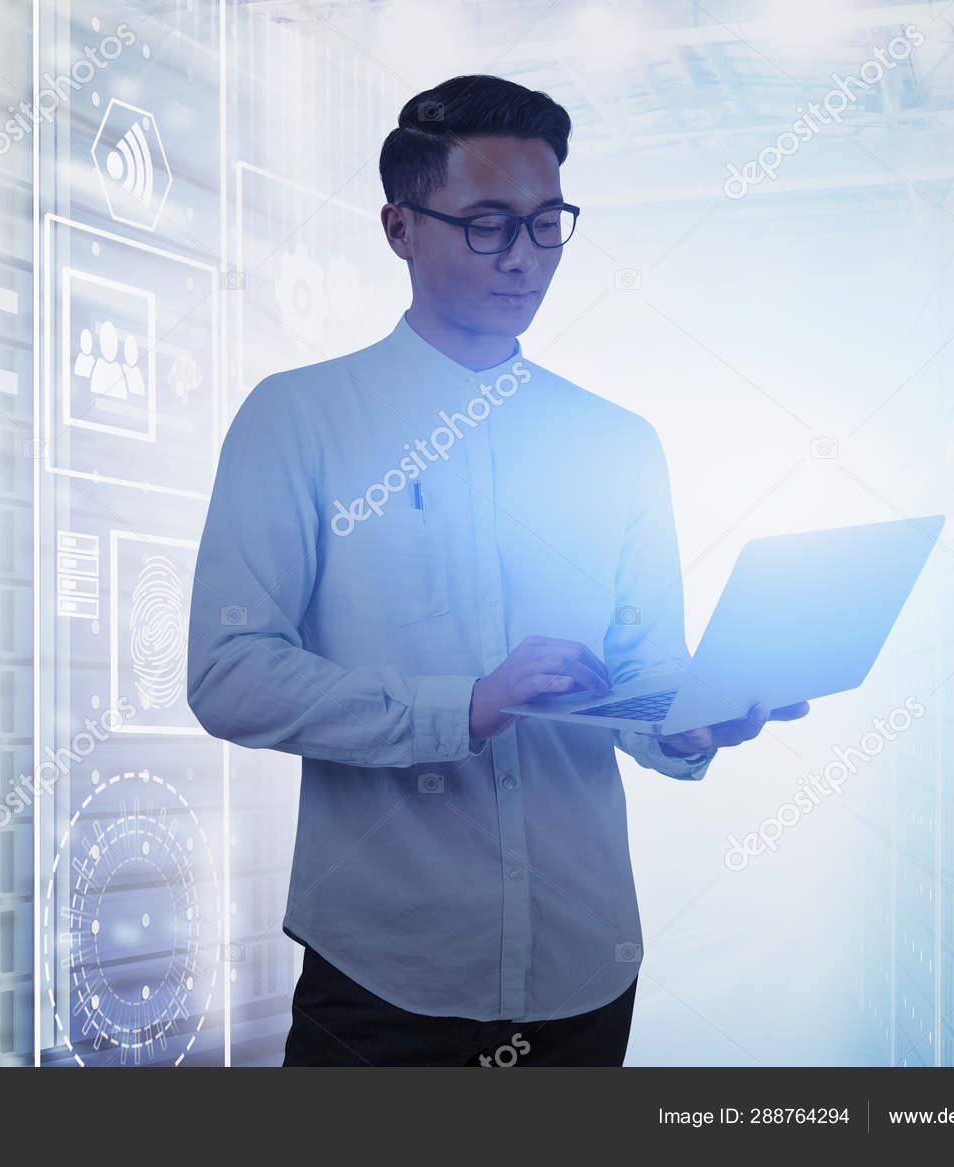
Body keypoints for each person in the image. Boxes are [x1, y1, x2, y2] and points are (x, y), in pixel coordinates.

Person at [186, 74, 807, 1067]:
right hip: (386, 976)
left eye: (545, 223)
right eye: (485, 225)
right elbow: (230, 676)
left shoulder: (617, 443)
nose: (523, 259)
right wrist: (462, 705)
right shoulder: (298, 421)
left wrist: (687, 720)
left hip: (586, 971)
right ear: (398, 227)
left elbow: (642, 669)